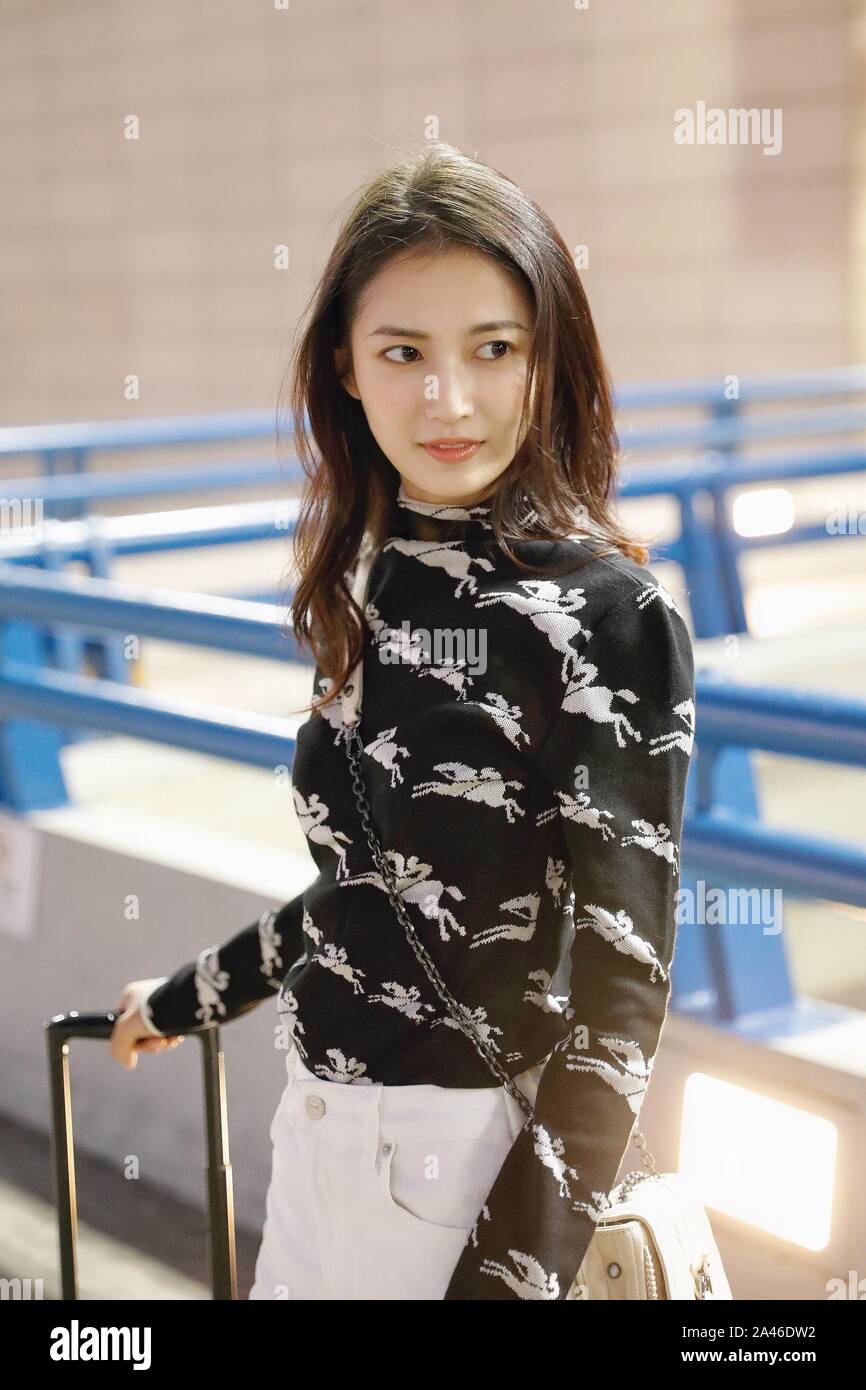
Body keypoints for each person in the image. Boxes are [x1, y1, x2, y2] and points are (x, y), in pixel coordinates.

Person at [111, 141, 695, 1300]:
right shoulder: (372, 575)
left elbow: (619, 998)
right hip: (315, 1130)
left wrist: (509, 1272)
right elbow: (368, 889)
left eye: (493, 349)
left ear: (545, 357)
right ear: (343, 364)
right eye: (403, 353)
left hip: (461, 1174)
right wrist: (187, 997)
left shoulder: (600, 616)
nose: (448, 400)